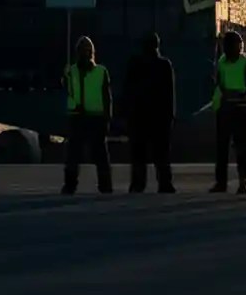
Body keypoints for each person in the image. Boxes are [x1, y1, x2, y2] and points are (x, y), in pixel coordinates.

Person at [124, 32, 176, 194]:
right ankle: (165, 183)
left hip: (139, 115)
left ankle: (138, 184)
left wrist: (127, 114)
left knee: (138, 153)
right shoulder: (164, 65)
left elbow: (128, 91)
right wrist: (171, 115)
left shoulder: (135, 64)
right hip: (159, 116)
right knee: (162, 154)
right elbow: (170, 93)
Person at [61, 36, 113, 195]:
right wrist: (107, 117)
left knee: (80, 155)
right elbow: (107, 97)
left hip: (87, 117)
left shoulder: (77, 71)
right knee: (87, 155)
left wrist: (106, 118)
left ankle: (72, 185)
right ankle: (104, 186)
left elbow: (106, 96)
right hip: (86, 117)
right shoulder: (96, 71)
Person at [210, 31, 246, 195]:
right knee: (222, 148)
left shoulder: (245, 63)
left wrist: (237, 95)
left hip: (241, 108)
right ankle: (220, 182)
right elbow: (219, 81)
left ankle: (244, 182)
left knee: (242, 147)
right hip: (225, 109)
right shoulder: (221, 62)